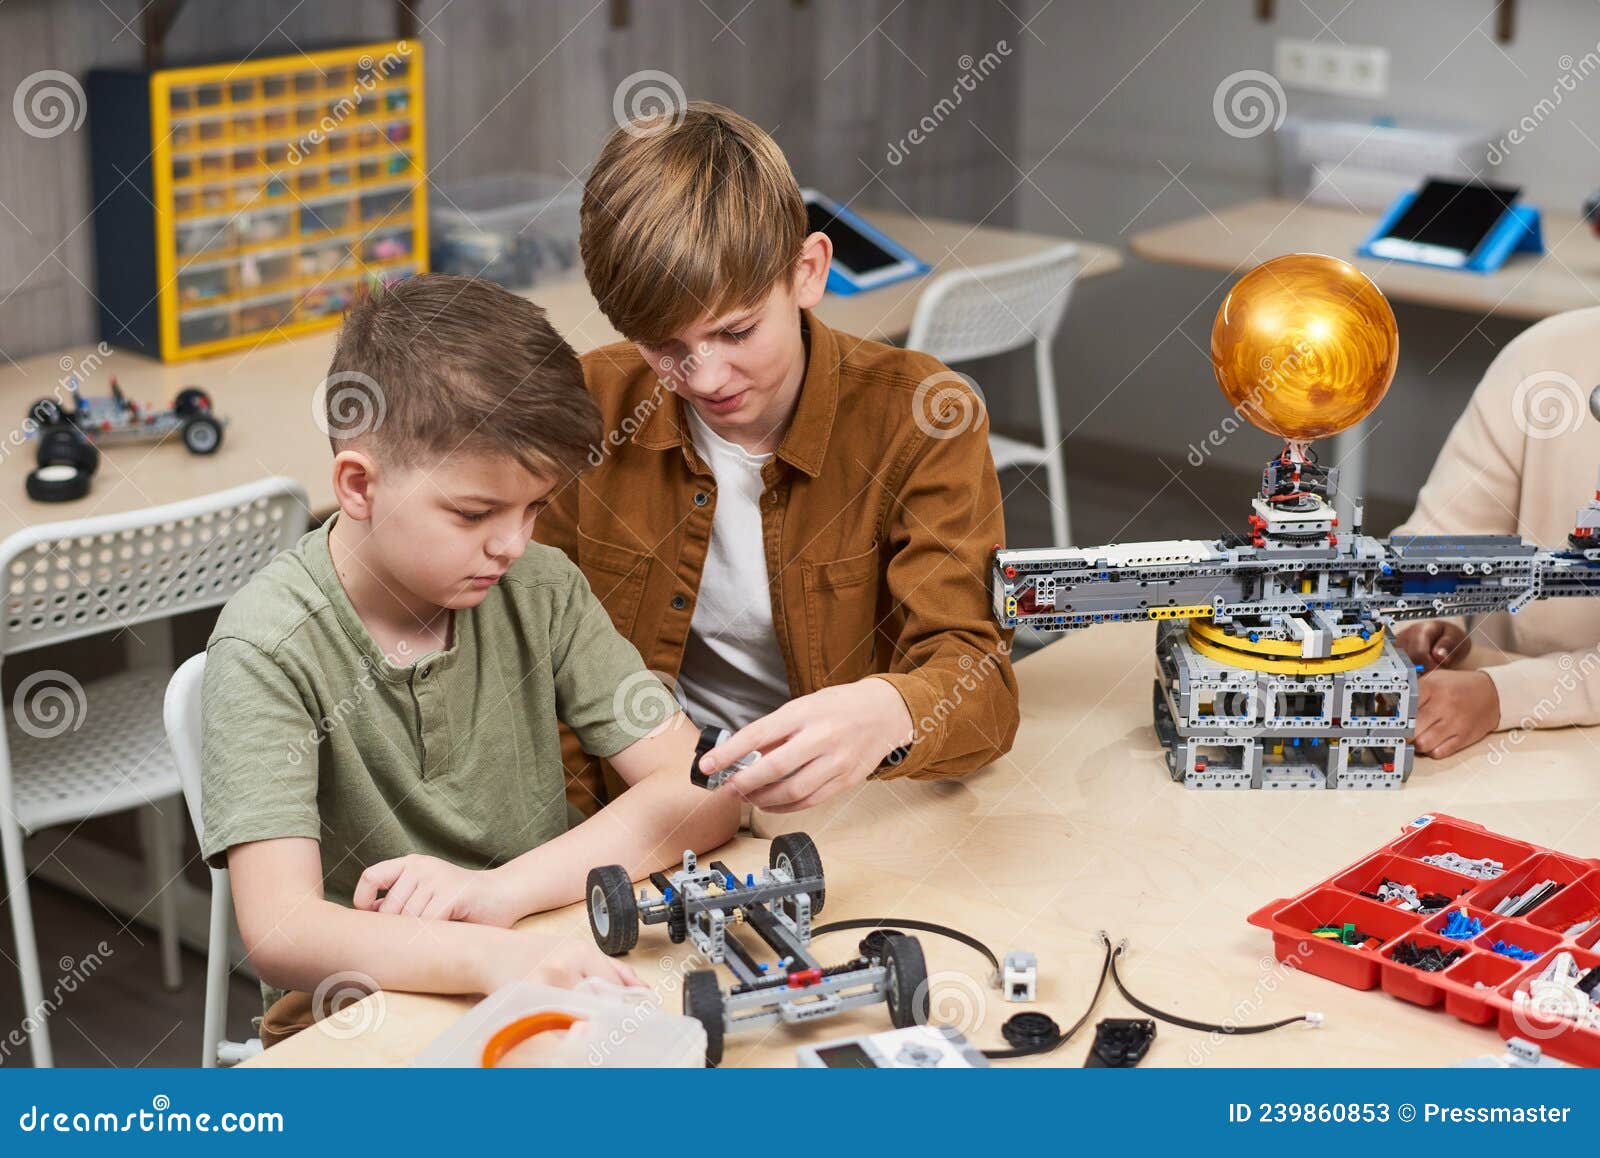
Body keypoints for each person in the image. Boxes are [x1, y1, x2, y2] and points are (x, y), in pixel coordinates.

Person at [200, 274, 740, 1043]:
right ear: (358, 484)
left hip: (541, 944)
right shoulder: (267, 649)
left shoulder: (539, 586)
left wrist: (499, 896)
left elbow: (703, 793)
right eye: (474, 513)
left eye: (534, 507)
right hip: (364, 1007)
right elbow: (283, 928)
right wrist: (487, 958)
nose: (511, 544)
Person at [537, 101, 1019, 817]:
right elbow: (542, 671)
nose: (703, 378)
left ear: (808, 271)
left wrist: (889, 712)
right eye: (664, 346)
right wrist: (594, 841)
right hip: (651, 817)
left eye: (736, 331)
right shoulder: (591, 406)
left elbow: (979, 684)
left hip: (850, 814)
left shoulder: (921, 416)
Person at [1391, 307, 1600, 757]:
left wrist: (1501, 695)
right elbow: (1442, 534)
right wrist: (1426, 614)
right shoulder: (1545, 355)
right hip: (1513, 742)